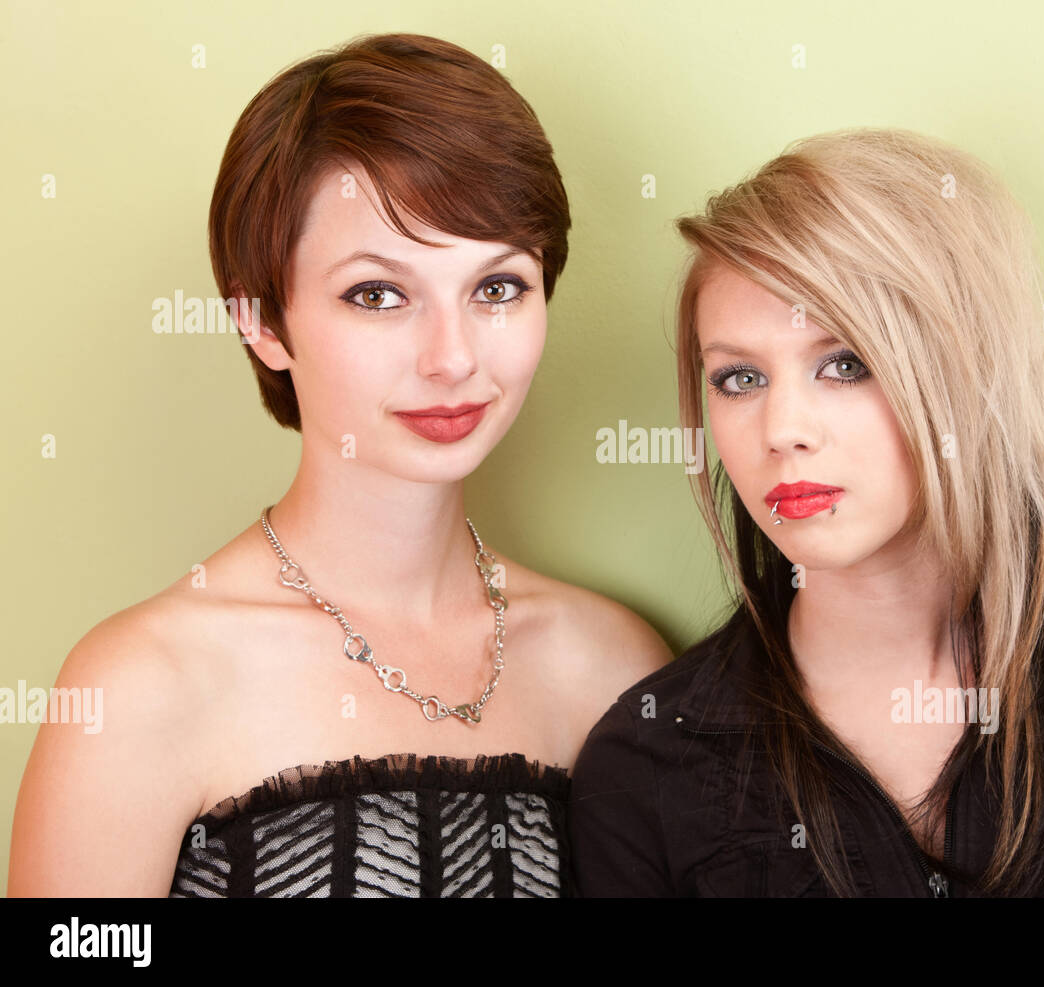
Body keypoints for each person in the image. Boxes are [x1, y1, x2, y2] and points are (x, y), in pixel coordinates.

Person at [8, 33, 670, 898]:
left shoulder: (616, 669)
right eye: (378, 294)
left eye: (497, 287)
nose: (452, 357)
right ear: (264, 322)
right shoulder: (134, 689)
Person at [567, 127, 1044, 896]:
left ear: (969, 369)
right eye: (739, 378)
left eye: (846, 363)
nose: (782, 430)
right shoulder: (644, 769)